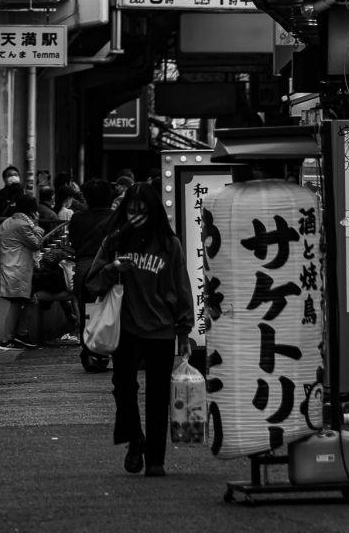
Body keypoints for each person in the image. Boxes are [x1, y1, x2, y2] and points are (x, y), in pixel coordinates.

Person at [88, 182, 194, 478]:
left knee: (159, 396)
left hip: (161, 330)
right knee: (123, 388)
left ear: (153, 212)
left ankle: (156, 460)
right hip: (126, 329)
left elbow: (181, 287)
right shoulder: (115, 242)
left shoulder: (169, 245)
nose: (135, 217)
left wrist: (184, 331)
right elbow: (91, 282)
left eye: (141, 211)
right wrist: (113, 269)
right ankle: (136, 440)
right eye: (131, 211)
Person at [68, 177, 115, 372]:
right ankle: (104, 353)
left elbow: (74, 242)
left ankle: (89, 353)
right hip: (109, 268)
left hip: (83, 267)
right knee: (110, 311)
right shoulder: (115, 217)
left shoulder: (77, 218)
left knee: (87, 311)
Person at [0, 192, 43, 350]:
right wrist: (37, 228)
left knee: (25, 301)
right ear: (31, 209)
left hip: (9, 267)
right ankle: (7, 339)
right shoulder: (23, 225)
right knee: (19, 302)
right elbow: (36, 244)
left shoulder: (8, 222)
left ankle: (21, 334)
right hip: (17, 269)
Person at [0, 166, 23, 256]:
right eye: (9, 175)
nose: (13, 177)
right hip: (3, 242)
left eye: (15, 174)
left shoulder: (24, 198)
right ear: (4, 179)